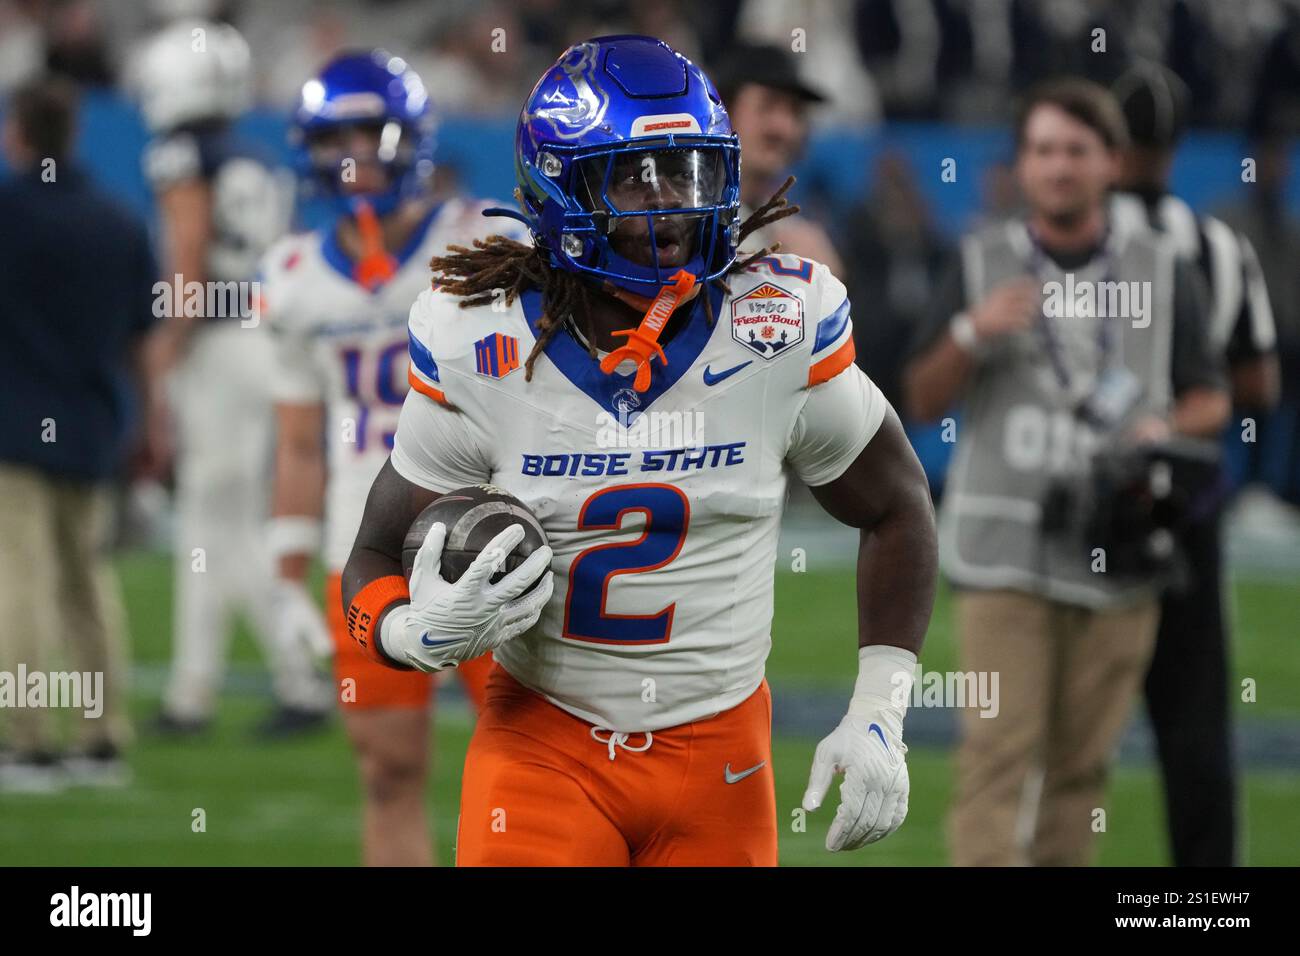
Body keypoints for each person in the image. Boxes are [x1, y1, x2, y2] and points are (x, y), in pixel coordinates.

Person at [341, 35, 937, 866]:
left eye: (687, 169)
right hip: (545, 747)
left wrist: (880, 706)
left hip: (722, 756)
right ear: (559, 184)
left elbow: (898, 506)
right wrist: (413, 634)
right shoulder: (484, 337)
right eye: (633, 175)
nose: (671, 205)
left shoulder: (775, 325)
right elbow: (370, 554)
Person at [903, 78, 1230, 866]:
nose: (1058, 167)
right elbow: (915, 397)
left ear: (1112, 162)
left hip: (1120, 550)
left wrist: (1162, 427)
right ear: (1021, 164)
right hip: (1004, 552)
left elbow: (1214, 398)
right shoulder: (982, 258)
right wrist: (970, 331)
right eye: (1043, 150)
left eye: (1076, 151)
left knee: (1083, 771)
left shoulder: (1161, 267)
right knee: (995, 756)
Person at [260, 50, 517, 866]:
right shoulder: (293, 274)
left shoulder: (487, 239)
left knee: (528, 764)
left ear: (412, 140)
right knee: (388, 771)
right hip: (364, 545)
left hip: (488, 530)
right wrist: (284, 572)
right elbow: (301, 439)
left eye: (371, 133)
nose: (355, 155)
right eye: (336, 137)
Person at [133, 19, 327, 737]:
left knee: (220, 528)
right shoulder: (255, 155)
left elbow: (187, 255)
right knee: (216, 528)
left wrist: (166, 343)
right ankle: (199, 690)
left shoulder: (184, 151)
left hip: (217, 344)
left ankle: (293, 676)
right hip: (264, 339)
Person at [1110, 62, 1279, 867]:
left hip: (1092, 501)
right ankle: (1206, 904)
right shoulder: (1218, 242)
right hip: (1192, 504)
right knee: (1197, 726)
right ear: (1179, 146)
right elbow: (1259, 381)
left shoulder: (1073, 235)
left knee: (1060, 730)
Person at [0, 76, 160, 790]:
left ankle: (25, 742)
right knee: (88, 585)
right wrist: (154, 420)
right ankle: (100, 739)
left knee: (20, 581)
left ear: (19, 135)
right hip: (93, 425)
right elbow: (142, 341)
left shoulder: (8, 212)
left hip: (12, 424)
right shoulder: (118, 221)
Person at [711, 41, 843, 275]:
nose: (785, 127)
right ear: (724, 112)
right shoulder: (687, 212)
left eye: (795, 111)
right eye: (767, 105)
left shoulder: (795, 234)